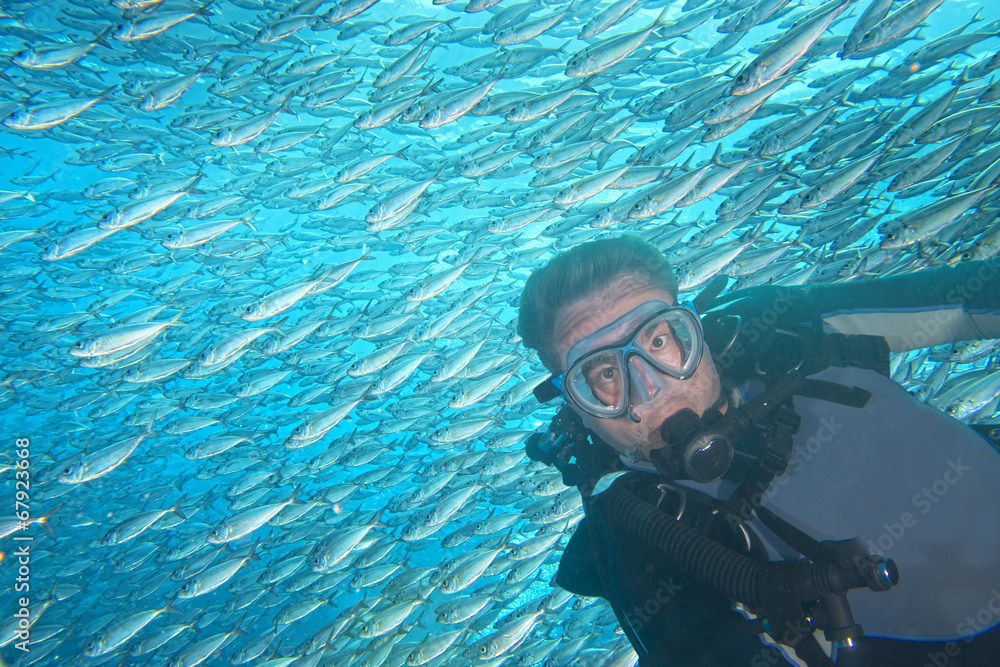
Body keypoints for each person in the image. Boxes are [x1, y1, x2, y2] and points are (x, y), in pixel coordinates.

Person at [517, 234, 1000, 667]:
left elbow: (973, 299)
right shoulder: (644, 543)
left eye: (659, 340)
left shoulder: (786, 331)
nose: (650, 388)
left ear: (695, 329)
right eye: (604, 373)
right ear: (576, 406)